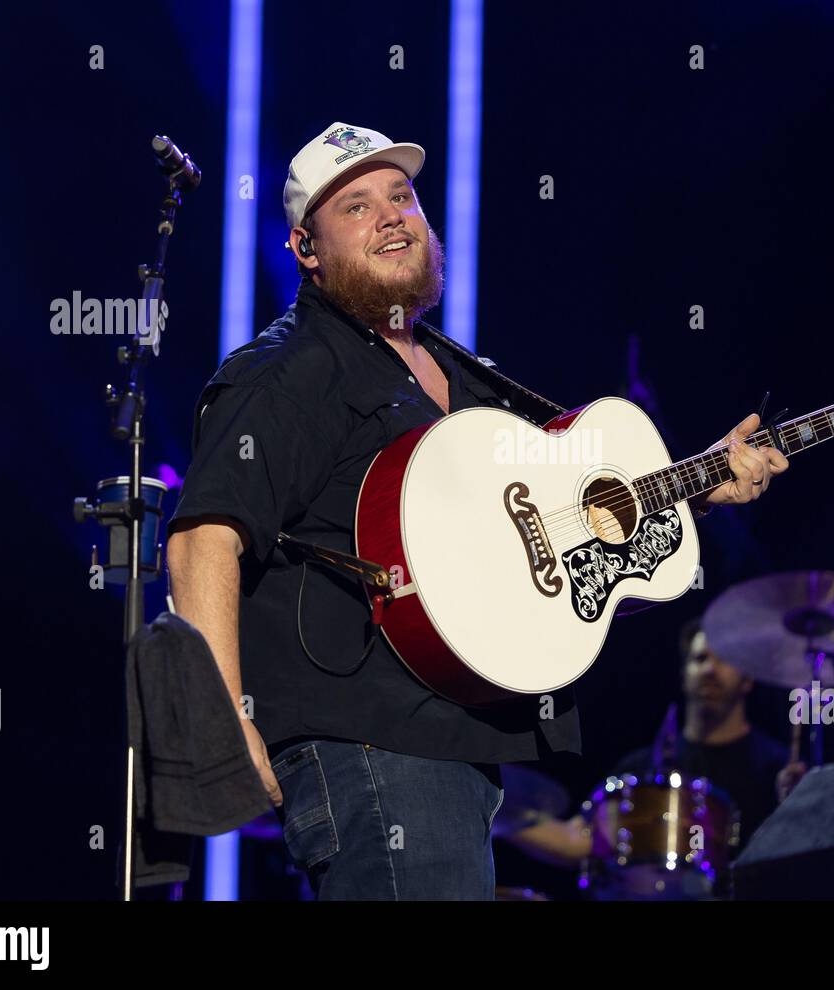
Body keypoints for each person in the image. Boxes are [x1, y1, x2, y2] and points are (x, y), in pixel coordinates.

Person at [164, 121, 789, 900]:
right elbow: (201, 541)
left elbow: (566, 554)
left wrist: (695, 490)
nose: (392, 214)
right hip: (365, 745)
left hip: (458, 746)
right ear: (305, 250)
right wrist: (226, 722)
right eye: (356, 206)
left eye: (402, 196)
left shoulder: (469, 380)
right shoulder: (287, 372)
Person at [506, 619, 808, 874]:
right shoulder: (642, 769)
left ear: (748, 679)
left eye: (723, 659)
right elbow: (578, 840)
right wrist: (494, 809)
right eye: (699, 659)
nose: (709, 670)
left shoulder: (777, 769)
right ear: (683, 675)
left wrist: (798, 806)